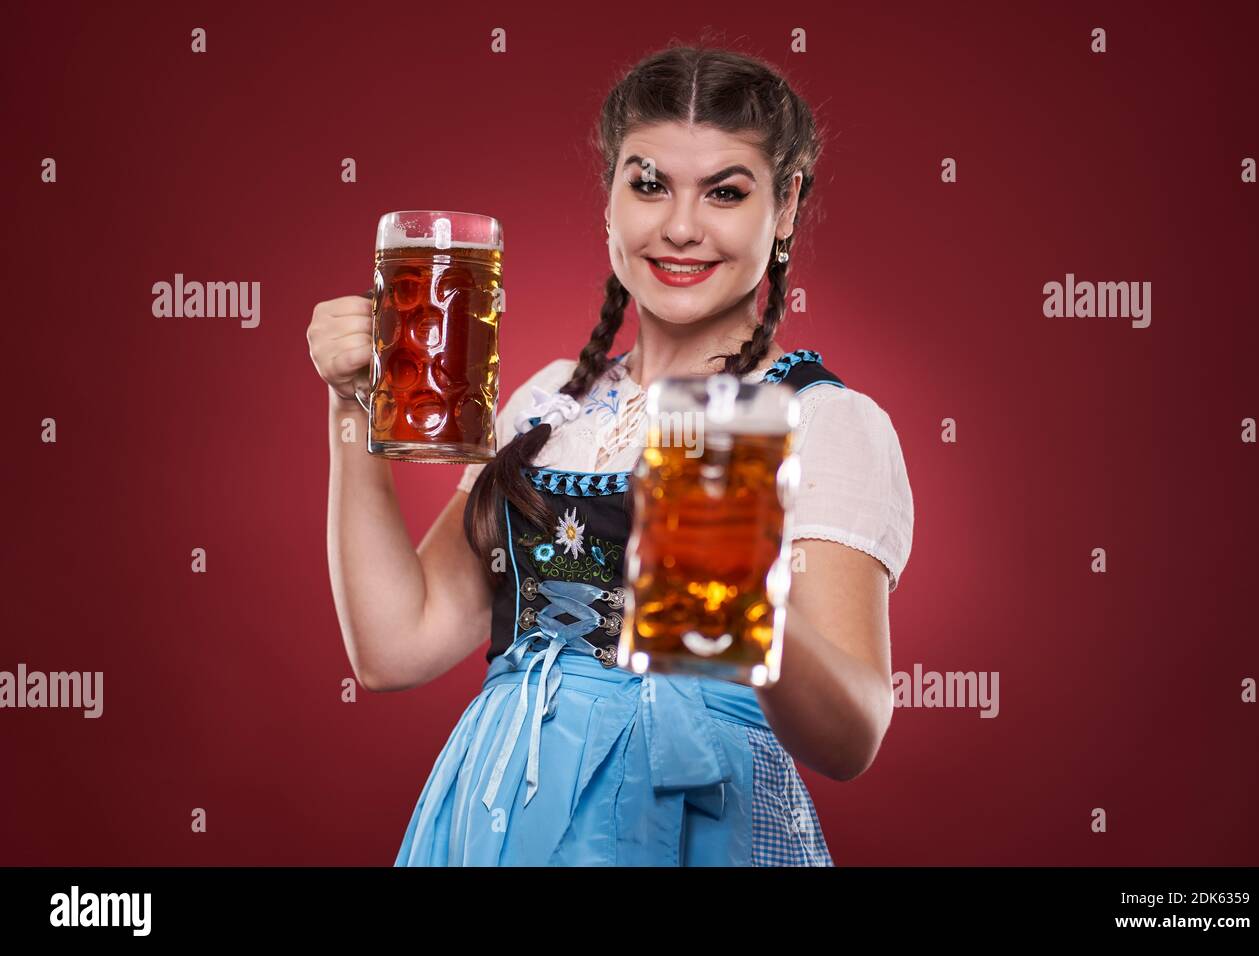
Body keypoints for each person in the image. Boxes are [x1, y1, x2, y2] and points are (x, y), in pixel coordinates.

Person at [307, 44, 914, 866]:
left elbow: (853, 737)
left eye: (726, 192)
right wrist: (353, 407)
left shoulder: (822, 421)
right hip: (496, 815)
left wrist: (739, 604)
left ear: (786, 207)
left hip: (686, 826)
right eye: (649, 183)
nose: (681, 226)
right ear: (610, 202)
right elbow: (393, 645)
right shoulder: (549, 401)